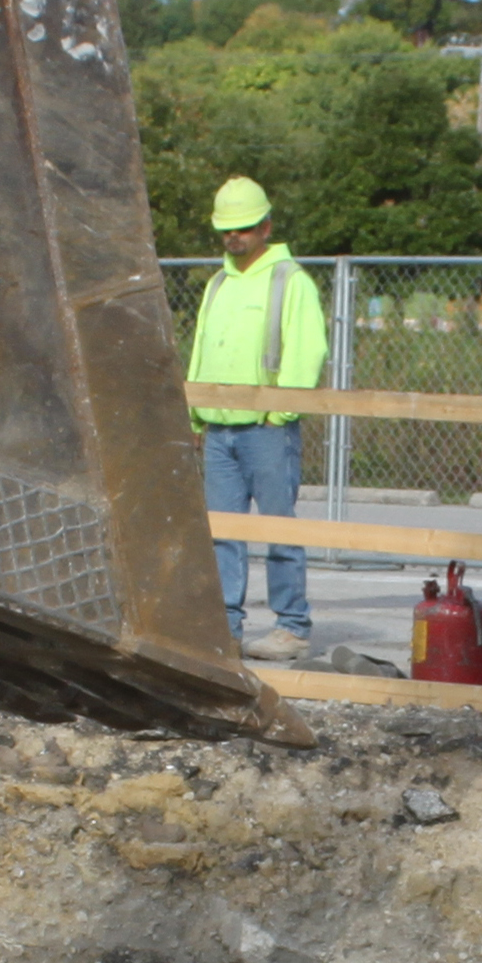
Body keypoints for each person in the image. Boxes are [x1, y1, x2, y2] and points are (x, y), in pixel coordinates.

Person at [188, 177, 328, 661]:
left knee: (279, 529)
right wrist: (194, 413)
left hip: (266, 431)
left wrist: (278, 414)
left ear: (266, 226)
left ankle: (291, 626)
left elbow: (307, 352)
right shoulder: (220, 283)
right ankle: (224, 625)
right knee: (222, 532)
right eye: (228, 230)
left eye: (245, 228)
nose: (235, 238)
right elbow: (202, 348)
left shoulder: (290, 280)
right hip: (219, 429)